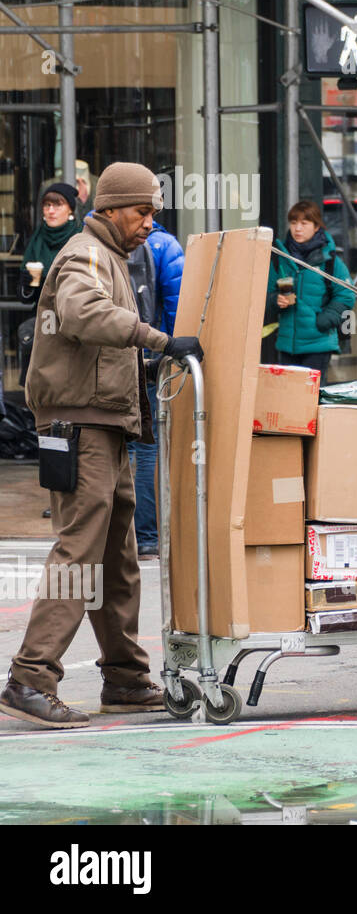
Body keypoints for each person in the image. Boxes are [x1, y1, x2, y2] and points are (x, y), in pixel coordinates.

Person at [0, 162, 203, 729]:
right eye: (142, 211)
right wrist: (160, 340)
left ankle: (126, 677)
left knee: (118, 558)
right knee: (79, 553)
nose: (149, 223)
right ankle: (29, 678)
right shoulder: (86, 254)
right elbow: (83, 313)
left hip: (106, 425)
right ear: (111, 207)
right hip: (80, 428)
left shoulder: (111, 257)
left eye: (155, 212)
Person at [126, 218, 185, 560]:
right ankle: (146, 536)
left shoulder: (92, 239)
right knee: (147, 449)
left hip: (108, 355)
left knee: (118, 446)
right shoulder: (166, 246)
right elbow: (177, 303)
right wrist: (173, 350)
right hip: (149, 354)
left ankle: (116, 534)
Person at [266, 200, 355, 378]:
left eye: (304, 223)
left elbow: (346, 296)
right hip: (286, 343)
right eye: (293, 223)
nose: (297, 228)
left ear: (316, 227)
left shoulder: (330, 260)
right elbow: (264, 294)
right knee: (288, 396)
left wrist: (322, 321)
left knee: (311, 398)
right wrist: (276, 300)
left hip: (318, 344)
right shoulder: (279, 257)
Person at [19, 183, 82, 386]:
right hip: (43, 323)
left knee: (69, 384)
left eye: (57, 205)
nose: (51, 211)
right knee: (41, 385)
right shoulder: (36, 240)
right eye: (46, 205)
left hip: (73, 325)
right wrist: (30, 283)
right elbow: (24, 297)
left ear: (70, 209)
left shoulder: (81, 238)